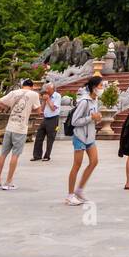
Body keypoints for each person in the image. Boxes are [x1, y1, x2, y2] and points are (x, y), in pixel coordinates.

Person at [0, 78, 41, 190]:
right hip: (20, 128)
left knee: (3, 154)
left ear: (22, 85)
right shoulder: (34, 94)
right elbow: (38, 111)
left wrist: (6, 107)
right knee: (15, 155)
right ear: (32, 86)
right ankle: (8, 182)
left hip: (10, 126)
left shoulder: (14, 92)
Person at [65, 76, 102, 205]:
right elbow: (75, 121)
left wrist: (97, 118)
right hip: (80, 136)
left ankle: (79, 190)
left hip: (90, 136)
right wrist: (90, 118)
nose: (102, 88)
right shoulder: (84, 101)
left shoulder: (95, 100)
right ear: (94, 87)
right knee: (77, 164)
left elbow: (93, 117)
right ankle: (70, 195)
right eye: (100, 86)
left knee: (94, 161)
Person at [31, 80, 62, 161]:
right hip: (45, 118)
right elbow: (42, 109)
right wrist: (44, 100)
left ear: (52, 89)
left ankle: (47, 156)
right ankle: (37, 155)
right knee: (39, 136)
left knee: (50, 138)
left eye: (48, 89)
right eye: (46, 89)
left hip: (53, 118)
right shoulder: (46, 95)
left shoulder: (57, 96)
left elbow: (53, 108)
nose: (46, 91)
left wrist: (48, 99)